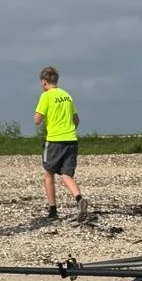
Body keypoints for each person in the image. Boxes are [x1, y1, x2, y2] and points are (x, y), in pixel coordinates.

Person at [34, 65, 87, 222]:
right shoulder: (67, 95)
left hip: (55, 140)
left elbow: (37, 120)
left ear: (44, 82)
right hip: (71, 139)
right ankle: (79, 199)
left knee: (48, 173)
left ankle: (52, 211)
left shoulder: (46, 96)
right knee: (66, 175)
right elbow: (76, 119)